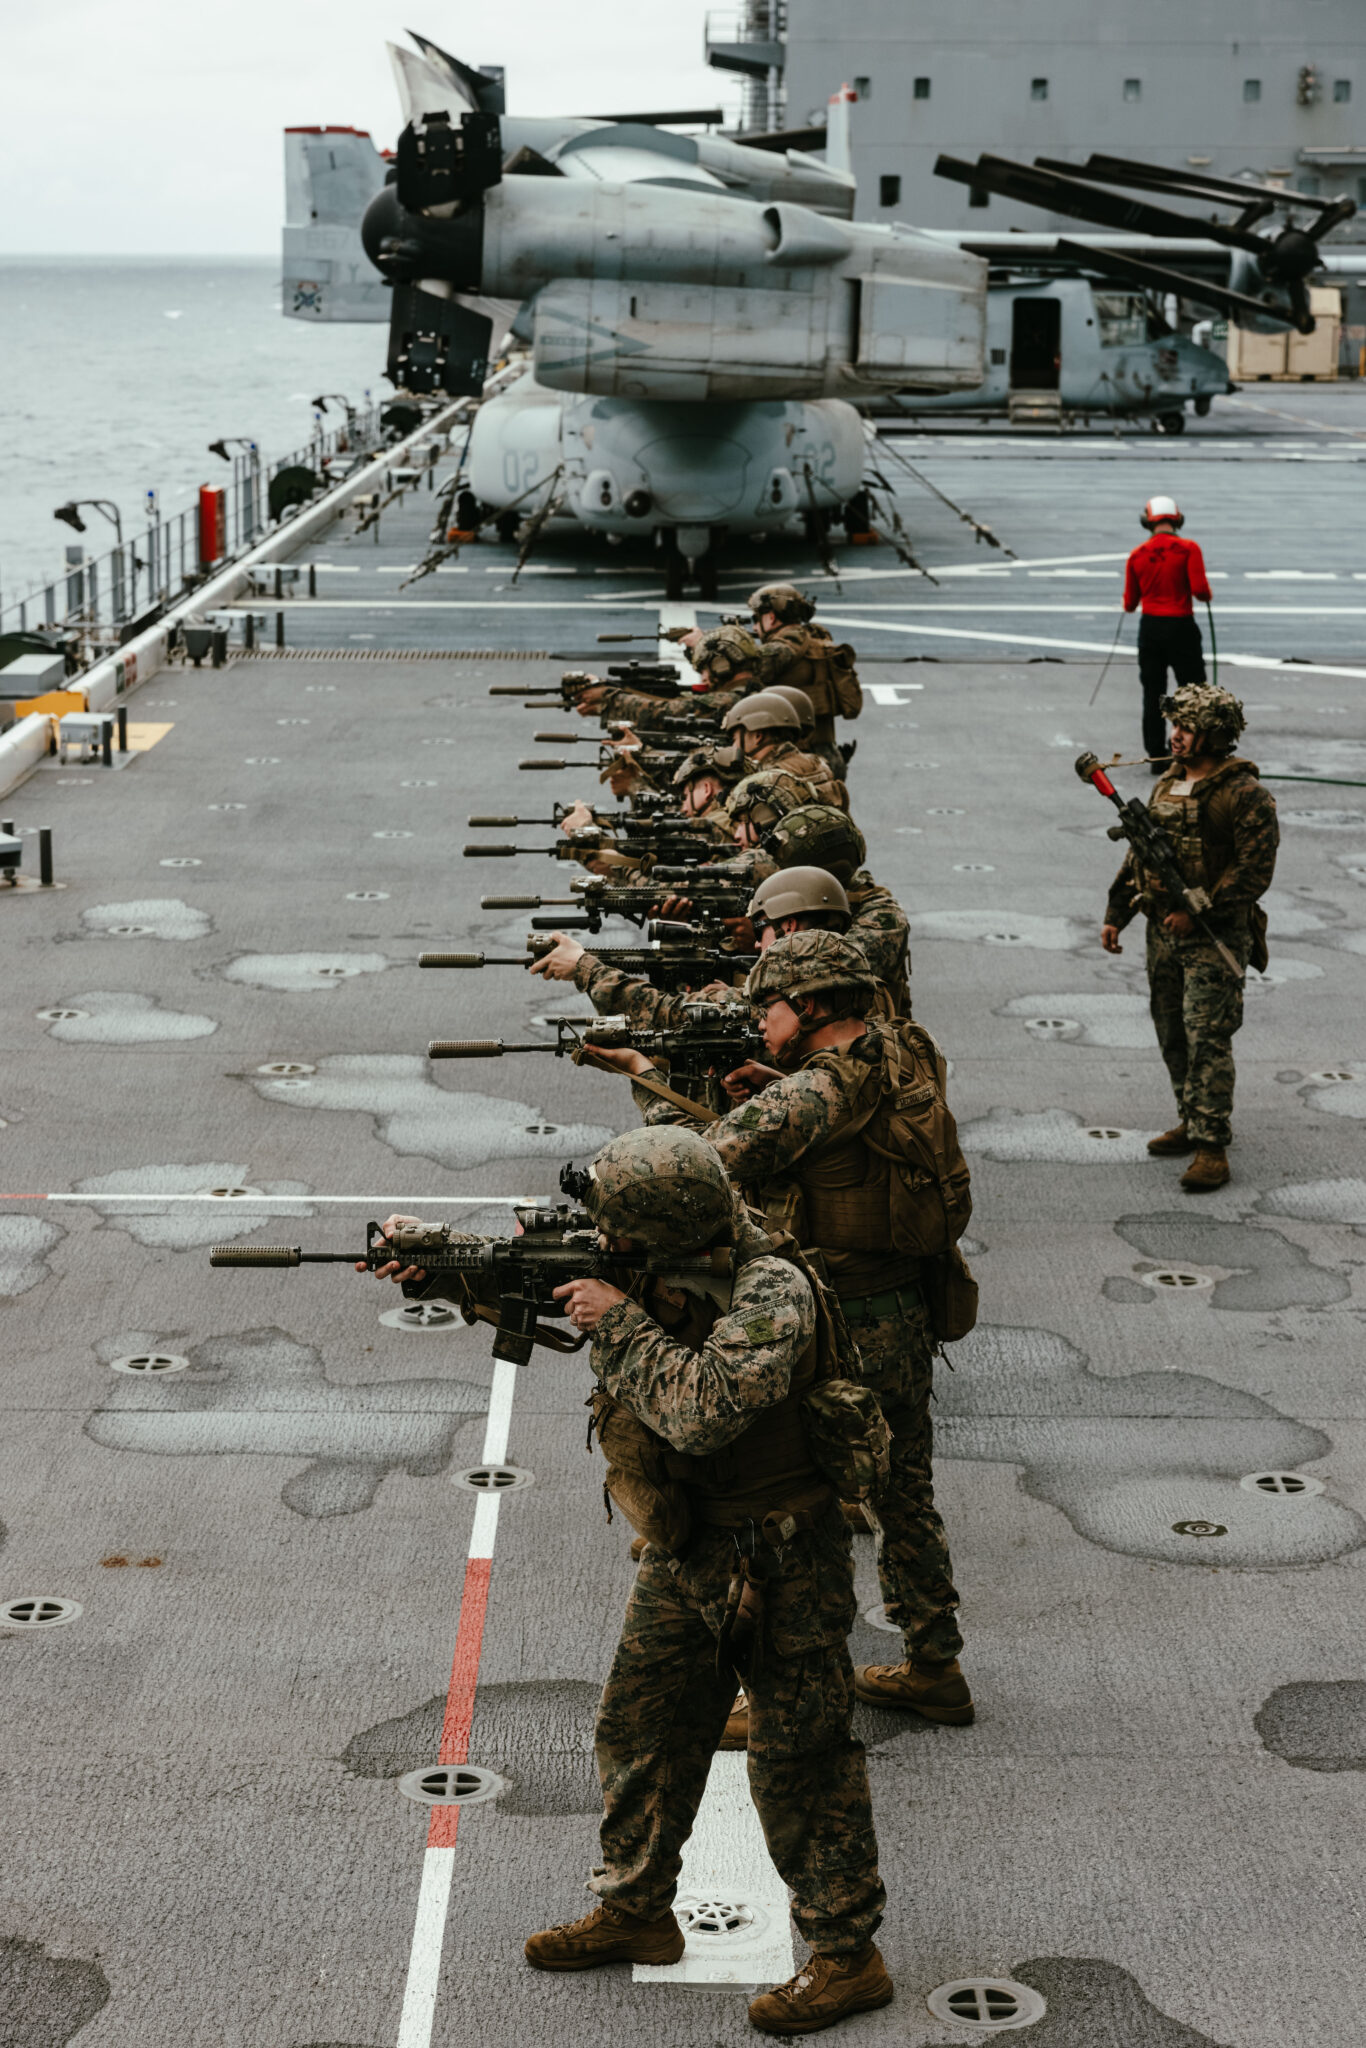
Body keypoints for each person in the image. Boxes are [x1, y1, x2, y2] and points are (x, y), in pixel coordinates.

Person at [514, 1127, 893, 2036]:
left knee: (801, 1760)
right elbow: (538, 1275)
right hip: (690, 1550)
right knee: (641, 1725)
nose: (610, 1246)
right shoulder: (671, 1253)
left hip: (779, 1557)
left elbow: (704, 1411)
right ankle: (637, 1910)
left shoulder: (774, 1291)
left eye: (622, 1232)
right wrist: (434, 1266)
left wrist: (622, 1319)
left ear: (668, 1230)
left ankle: (848, 1956)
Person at [588, 934, 972, 1730]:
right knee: (906, 1495)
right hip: (904, 1310)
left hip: (833, 1322)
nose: (760, 1020)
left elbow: (696, 1169)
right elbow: (837, 1127)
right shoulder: (899, 1054)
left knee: (771, 1499)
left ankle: (766, 1694)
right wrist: (771, 1083)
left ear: (814, 1007)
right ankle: (936, 1662)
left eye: (771, 1006)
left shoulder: (808, 1097)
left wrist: (645, 1078)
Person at [1101, 682, 1278, 1192]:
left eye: (1187, 729)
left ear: (1215, 736)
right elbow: (1142, 853)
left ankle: (1211, 1146)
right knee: (1171, 1030)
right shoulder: (1168, 783)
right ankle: (1191, 1117)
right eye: (1175, 727)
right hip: (1163, 934)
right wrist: (1118, 912)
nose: (1175, 737)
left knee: (1208, 1038)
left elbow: (1254, 871)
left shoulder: (1244, 795)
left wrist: (1194, 909)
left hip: (1212, 936)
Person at [1123, 497, 1213, 770]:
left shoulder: (1137, 555)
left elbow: (1129, 604)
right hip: (1182, 626)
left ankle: (1157, 756)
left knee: (1153, 694)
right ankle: (1196, 748)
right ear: (1177, 519)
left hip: (1150, 629)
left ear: (1147, 521)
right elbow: (1200, 591)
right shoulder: (1188, 549)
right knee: (1193, 691)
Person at [749, 582, 863, 754]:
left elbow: (739, 674)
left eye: (756, 619)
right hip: (827, 753)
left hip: (793, 758)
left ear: (771, 617)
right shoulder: (817, 642)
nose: (754, 627)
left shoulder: (781, 651)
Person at [721, 692, 848, 809]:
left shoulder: (769, 779)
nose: (734, 746)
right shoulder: (816, 763)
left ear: (757, 736)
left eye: (735, 739)